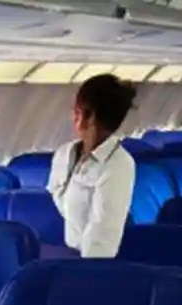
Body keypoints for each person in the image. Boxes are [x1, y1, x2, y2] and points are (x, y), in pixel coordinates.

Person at [48, 74, 138, 258]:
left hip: (91, 266)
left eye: (77, 112)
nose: (73, 118)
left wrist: (84, 278)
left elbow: (103, 237)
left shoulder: (118, 165)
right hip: (66, 255)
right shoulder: (64, 154)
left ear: (88, 117)